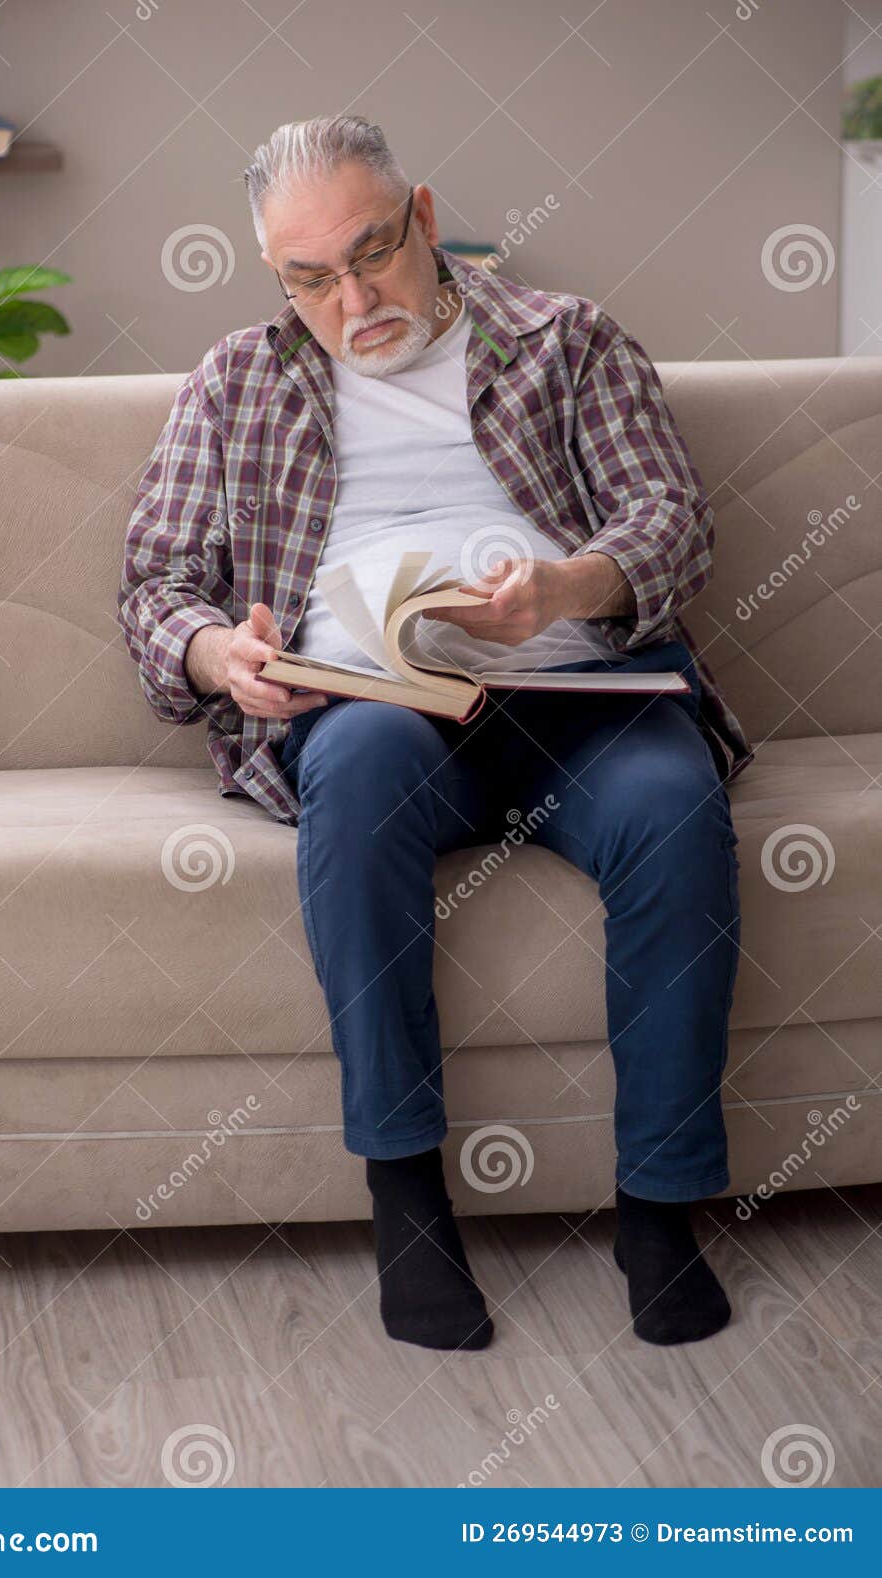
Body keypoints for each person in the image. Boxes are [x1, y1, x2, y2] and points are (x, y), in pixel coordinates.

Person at [118, 114, 754, 1354]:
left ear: (423, 216)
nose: (351, 300)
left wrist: (566, 589)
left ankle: (660, 1209)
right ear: (276, 278)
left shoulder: (564, 340)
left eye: (371, 255)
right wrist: (216, 653)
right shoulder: (238, 380)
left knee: (678, 809)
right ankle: (407, 1201)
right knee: (355, 774)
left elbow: (672, 516)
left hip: (585, 705)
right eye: (310, 278)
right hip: (378, 711)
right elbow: (154, 583)